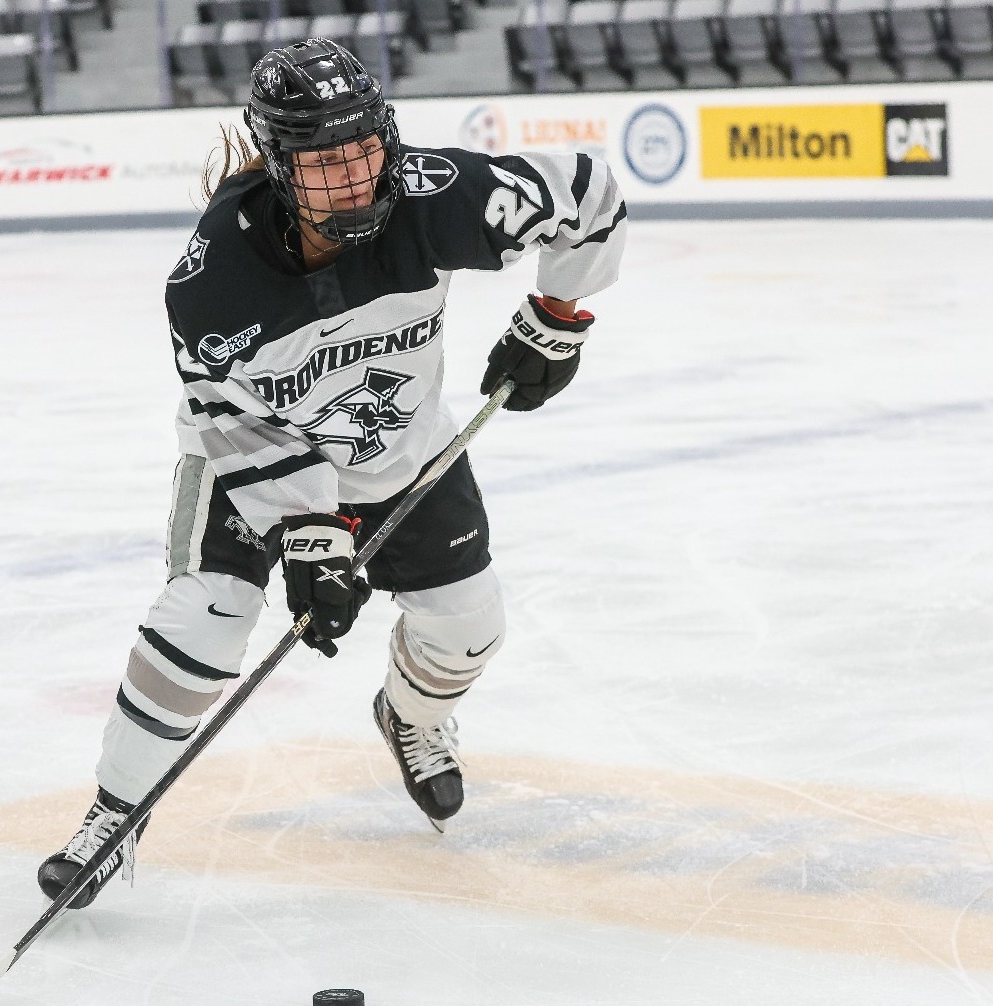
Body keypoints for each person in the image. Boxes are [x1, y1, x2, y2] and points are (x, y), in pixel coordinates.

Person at [37, 38, 627, 909]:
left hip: (400, 451)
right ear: (279, 166)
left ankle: (413, 719)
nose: (354, 177)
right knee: (206, 621)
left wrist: (558, 315)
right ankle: (115, 813)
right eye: (324, 162)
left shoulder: (436, 199)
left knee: (470, 628)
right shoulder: (213, 287)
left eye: (364, 148)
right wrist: (308, 533)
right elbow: (225, 416)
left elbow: (588, 191)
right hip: (255, 464)